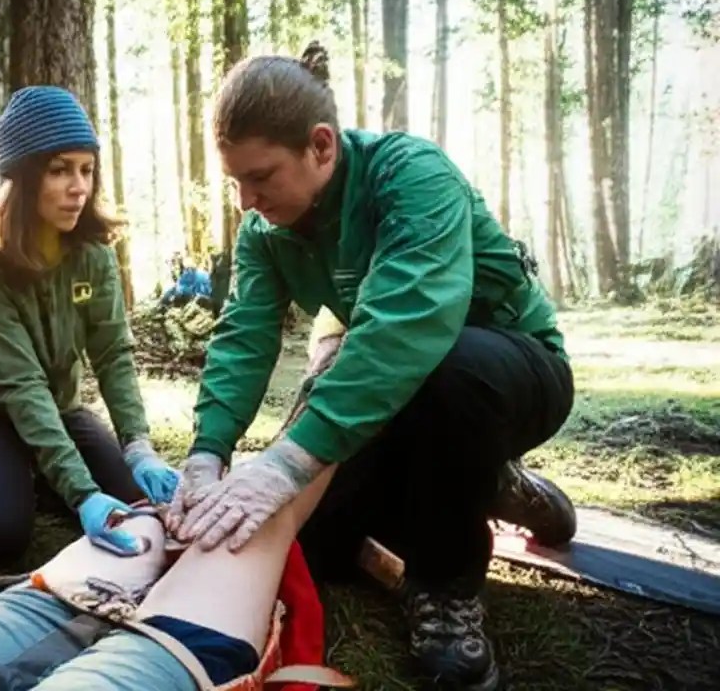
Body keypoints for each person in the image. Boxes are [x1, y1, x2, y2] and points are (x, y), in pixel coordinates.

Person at [166, 43, 577, 690]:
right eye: (234, 181)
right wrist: (207, 452)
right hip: (398, 395)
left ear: (321, 147)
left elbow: (403, 329)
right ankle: (485, 487)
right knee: (312, 542)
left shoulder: (412, 177)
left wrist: (285, 462)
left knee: (447, 371)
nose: (246, 199)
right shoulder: (265, 231)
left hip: (506, 371)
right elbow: (243, 337)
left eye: (262, 176)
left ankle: (445, 585)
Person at [0, 465, 346, 691]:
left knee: (138, 527)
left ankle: (155, 528)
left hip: (43, 603)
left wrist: (136, 446)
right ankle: (326, 386)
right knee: (250, 522)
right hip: (159, 642)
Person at [0, 85, 180, 565]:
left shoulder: (93, 253)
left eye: (86, 170)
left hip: (62, 411)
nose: (79, 187)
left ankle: (47, 473)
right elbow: (18, 381)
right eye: (59, 170)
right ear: (24, 177)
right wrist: (82, 491)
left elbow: (112, 355)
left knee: (139, 503)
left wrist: (139, 445)